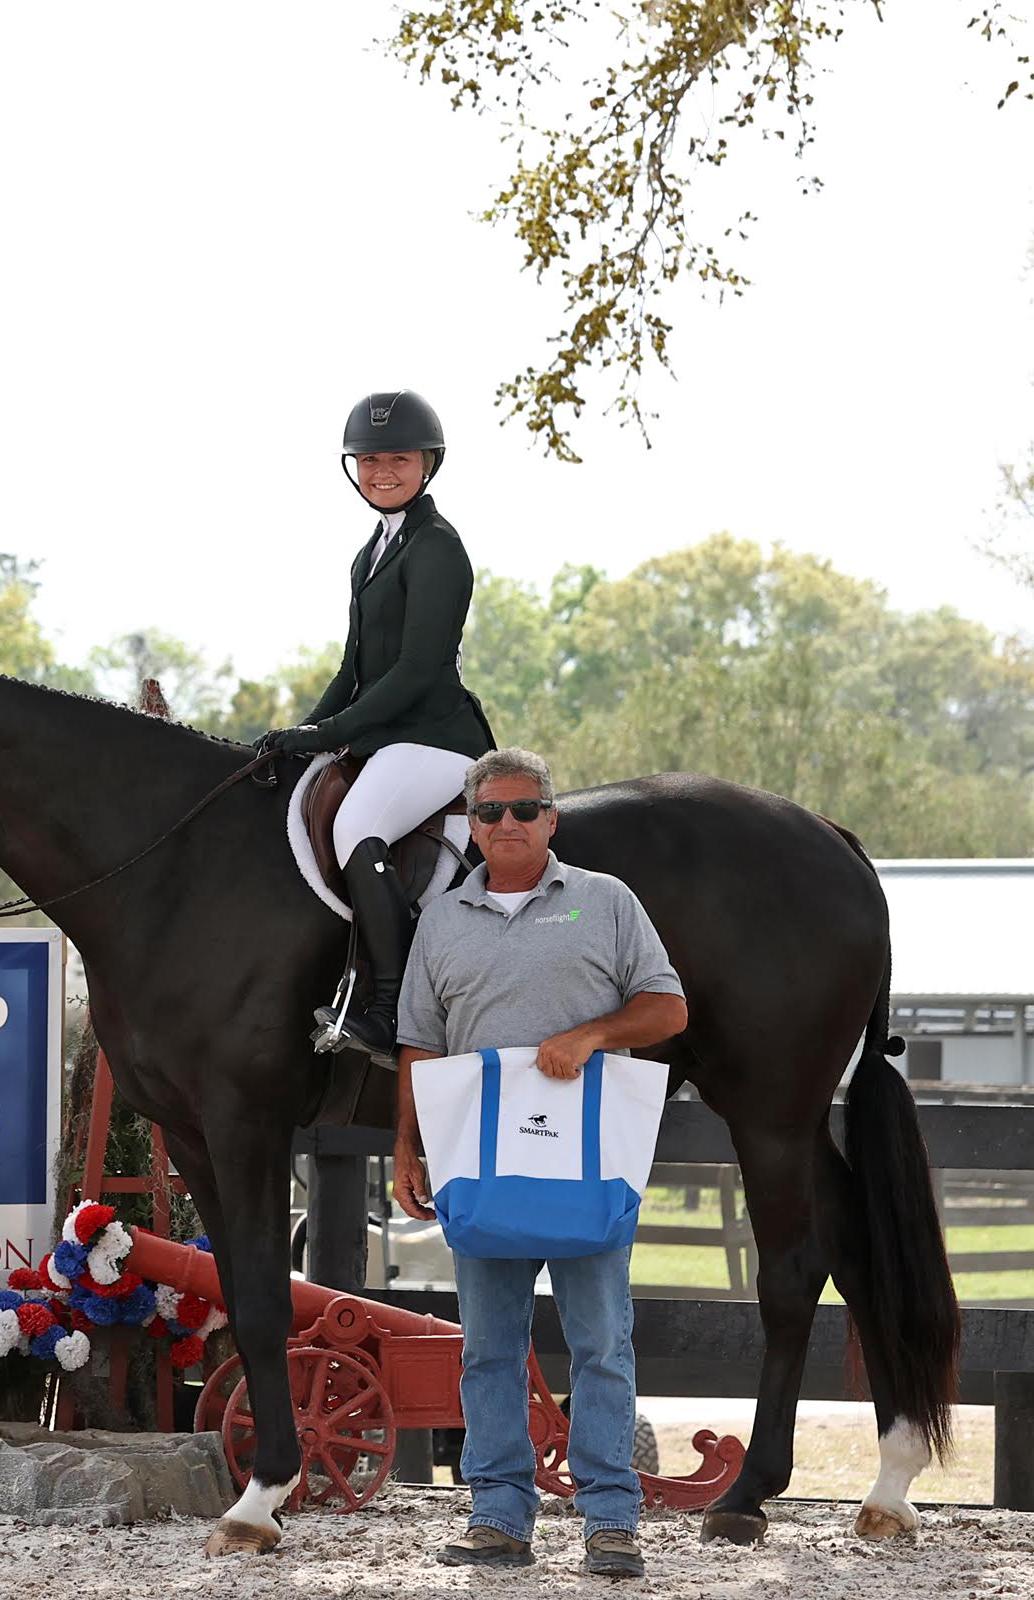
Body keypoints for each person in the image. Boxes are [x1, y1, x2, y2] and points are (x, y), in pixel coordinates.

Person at [390, 747, 688, 1580]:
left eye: (525, 809)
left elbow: (668, 1008)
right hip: (479, 1169)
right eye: (490, 813)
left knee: (602, 1345)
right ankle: (498, 1516)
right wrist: (407, 1149)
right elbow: (419, 1042)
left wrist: (590, 1035)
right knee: (486, 1349)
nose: (508, 824)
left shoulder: (606, 901)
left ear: (552, 819)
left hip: (586, 1167)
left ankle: (610, 1520)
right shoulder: (442, 922)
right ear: (473, 827)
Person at [255, 390, 496, 1064]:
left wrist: (331, 732)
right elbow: (353, 669)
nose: (381, 470)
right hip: (388, 734)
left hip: (434, 738)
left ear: (427, 464)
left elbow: (417, 672)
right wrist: (300, 734)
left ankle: (392, 1007)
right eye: (368, 459)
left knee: (357, 825)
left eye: (397, 458)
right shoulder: (371, 553)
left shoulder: (438, 548)